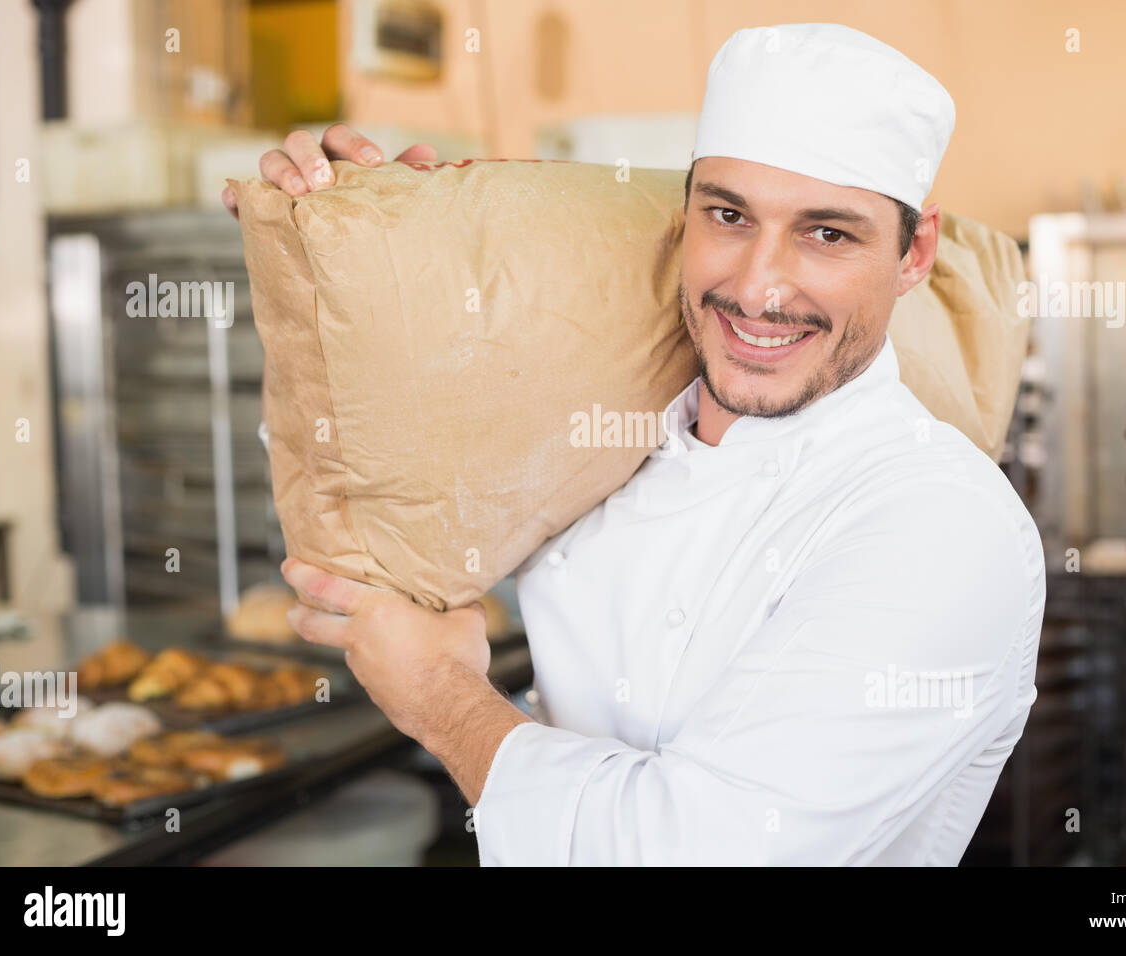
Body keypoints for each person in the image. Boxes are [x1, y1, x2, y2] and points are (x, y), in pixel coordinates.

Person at [225, 22, 1045, 865]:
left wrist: (439, 695)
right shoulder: (615, 436)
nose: (758, 287)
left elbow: (695, 851)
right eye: (728, 215)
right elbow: (380, 450)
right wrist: (356, 251)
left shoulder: (945, 525)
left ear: (914, 252)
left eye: (826, 234)